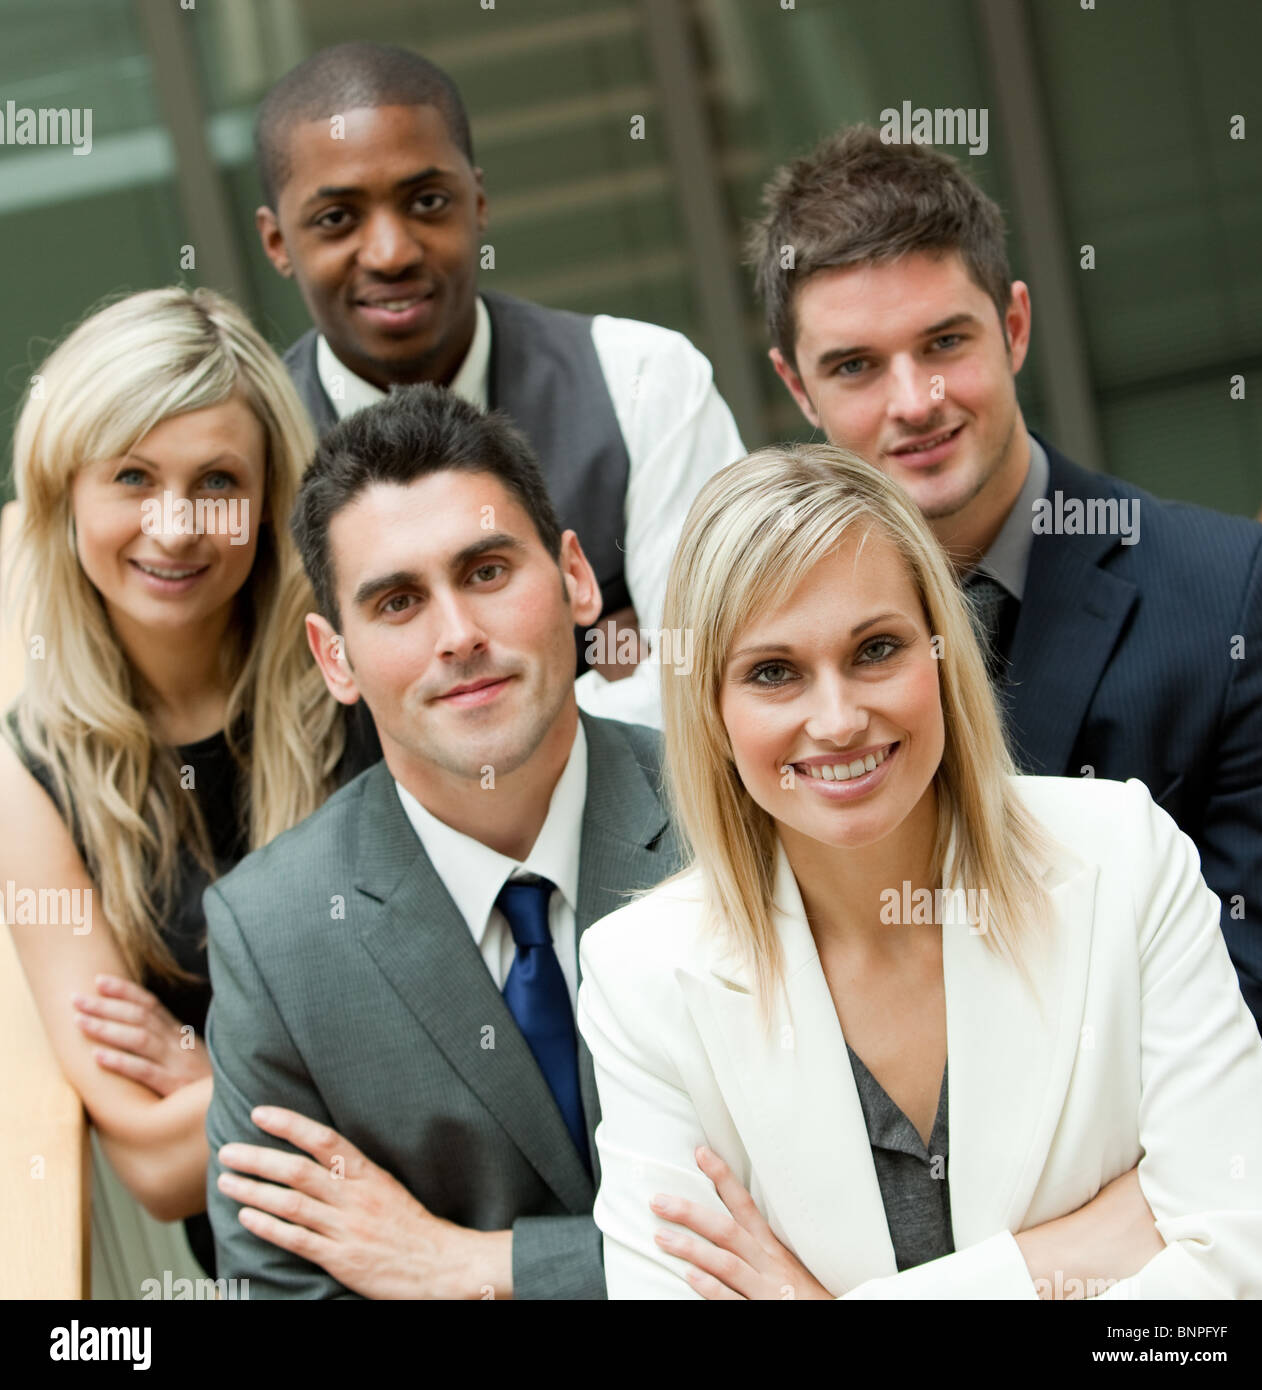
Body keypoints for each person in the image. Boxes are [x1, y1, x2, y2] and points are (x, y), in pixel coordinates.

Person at [577, 444, 1262, 1299]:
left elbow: (1244, 1268)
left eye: (876, 650)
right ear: (712, 714)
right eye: (772, 672)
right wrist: (1058, 1259)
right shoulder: (640, 973)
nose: (836, 720)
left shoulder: (1121, 854)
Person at [744, 125, 1262, 1070]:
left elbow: (1252, 1006)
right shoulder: (756, 655)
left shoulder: (1228, 596)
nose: (914, 401)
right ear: (796, 386)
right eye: (856, 366)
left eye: (943, 341)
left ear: (1016, 325)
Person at [203, 383, 682, 1299]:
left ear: (576, 578)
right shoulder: (276, 937)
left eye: (488, 571)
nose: (458, 636)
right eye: (395, 603)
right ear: (333, 657)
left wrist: (468, 1268)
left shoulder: (737, 819)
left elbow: (821, 1217)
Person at [0, 287, 371, 1282]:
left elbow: (459, 1021)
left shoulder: (356, 680)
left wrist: (212, 1066)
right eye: (131, 476)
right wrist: (337, 1049)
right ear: (64, 490)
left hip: (475, 1213)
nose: (173, 526)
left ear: (265, 497)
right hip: (279, 1266)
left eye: (215, 480)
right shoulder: (35, 770)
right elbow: (156, 1167)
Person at [251, 40, 745, 730]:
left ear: (477, 202)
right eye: (337, 219)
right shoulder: (247, 451)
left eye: (426, 201)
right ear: (277, 243)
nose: (391, 252)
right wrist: (600, 690)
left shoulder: (641, 380)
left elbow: (719, 680)